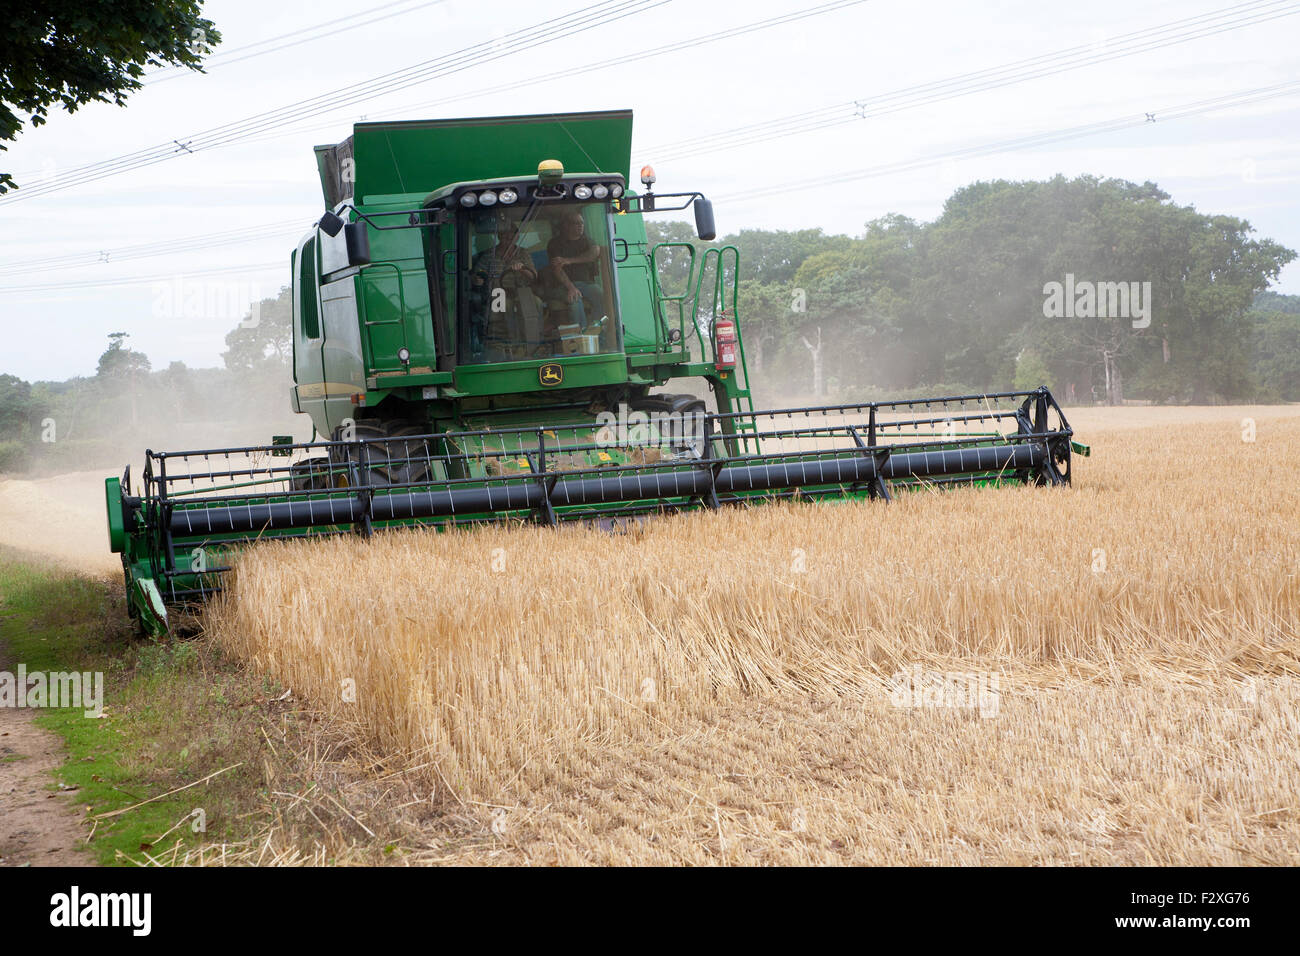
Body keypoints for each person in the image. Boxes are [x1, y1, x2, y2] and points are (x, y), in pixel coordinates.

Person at [469, 223, 540, 356]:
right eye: (505, 233)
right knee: (504, 306)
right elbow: (477, 273)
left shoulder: (523, 253)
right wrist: (477, 279)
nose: (508, 236)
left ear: (517, 236)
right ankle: (511, 343)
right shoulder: (490, 254)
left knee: (537, 302)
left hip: (521, 291)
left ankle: (536, 341)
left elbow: (534, 275)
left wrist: (523, 269)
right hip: (497, 292)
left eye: (512, 234)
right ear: (499, 235)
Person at [546, 211, 605, 329]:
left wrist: (569, 260)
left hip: (586, 284)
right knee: (575, 300)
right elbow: (557, 269)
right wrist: (571, 288)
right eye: (576, 223)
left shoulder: (587, 241)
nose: (580, 226)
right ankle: (581, 337)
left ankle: (597, 332)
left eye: (582, 223)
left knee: (599, 294)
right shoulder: (555, 243)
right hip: (562, 286)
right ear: (566, 226)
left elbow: (595, 252)